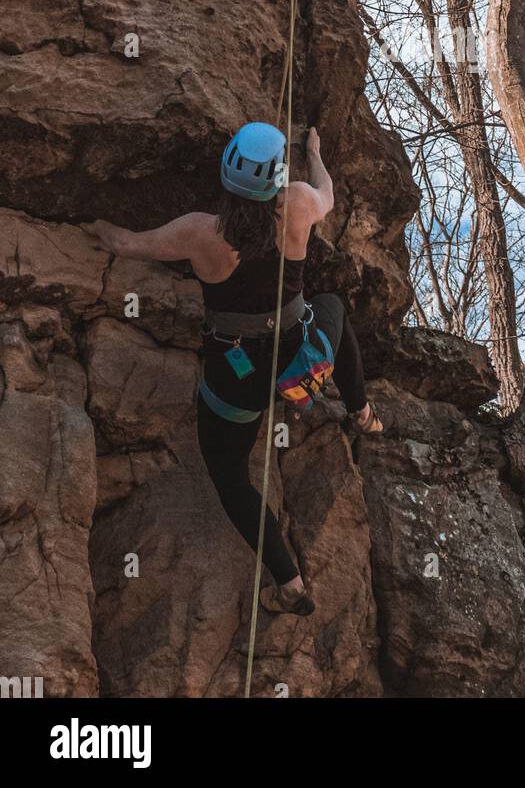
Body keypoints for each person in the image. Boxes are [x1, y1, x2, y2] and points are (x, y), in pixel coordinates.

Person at [83, 122, 382, 618]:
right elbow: (327, 191)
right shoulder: (301, 203)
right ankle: (362, 408)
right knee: (331, 305)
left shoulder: (202, 233)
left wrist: (93, 225)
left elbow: (130, 244)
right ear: (277, 178)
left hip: (236, 378)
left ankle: (289, 584)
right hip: (295, 356)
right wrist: (314, 153)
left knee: (230, 477)